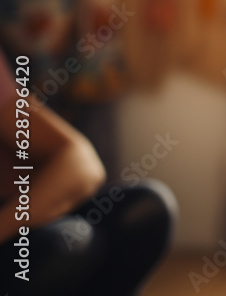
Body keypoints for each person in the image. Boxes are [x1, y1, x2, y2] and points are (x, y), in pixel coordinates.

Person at [0, 49, 176, 295]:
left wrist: (9, 222)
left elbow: (82, 161)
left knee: (149, 207)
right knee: (67, 244)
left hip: (16, 214)